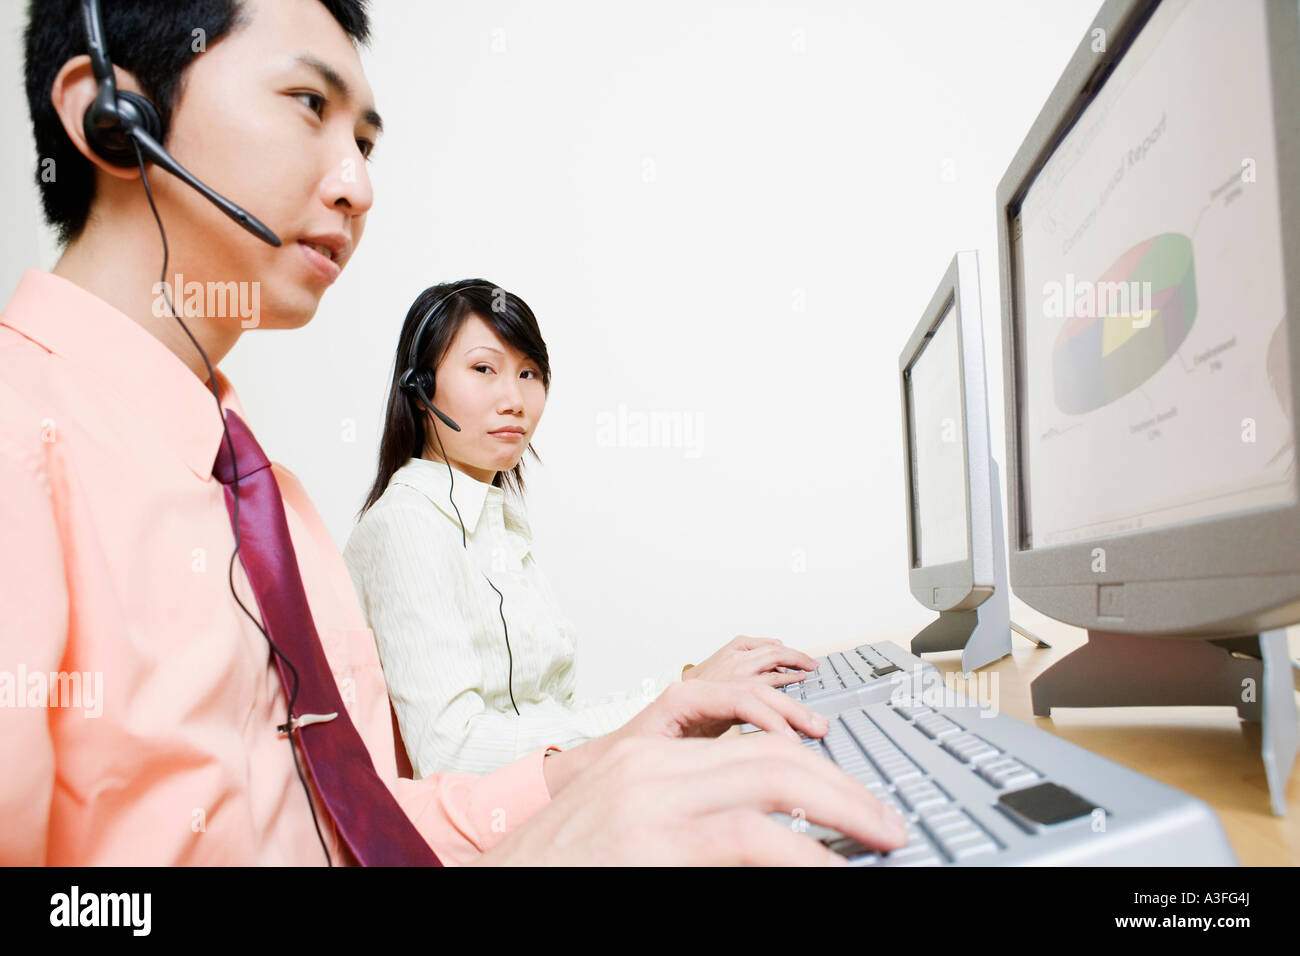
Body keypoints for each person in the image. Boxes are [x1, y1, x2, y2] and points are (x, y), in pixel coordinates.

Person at [0, 0, 905, 866]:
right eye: (309, 105)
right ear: (114, 117)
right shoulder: (19, 436)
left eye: (364, 143)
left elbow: (352, 824)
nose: (356, 184)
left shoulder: (262, 493)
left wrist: (614, 764)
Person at [344, 279, 822, 776]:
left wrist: (691, 686)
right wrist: (683, 699)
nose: (514, 398)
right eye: (484, 369)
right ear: (420, 390)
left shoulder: (499, 523)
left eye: (529, 373)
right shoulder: (405, 526)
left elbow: (555, 721)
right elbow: (454, 756)